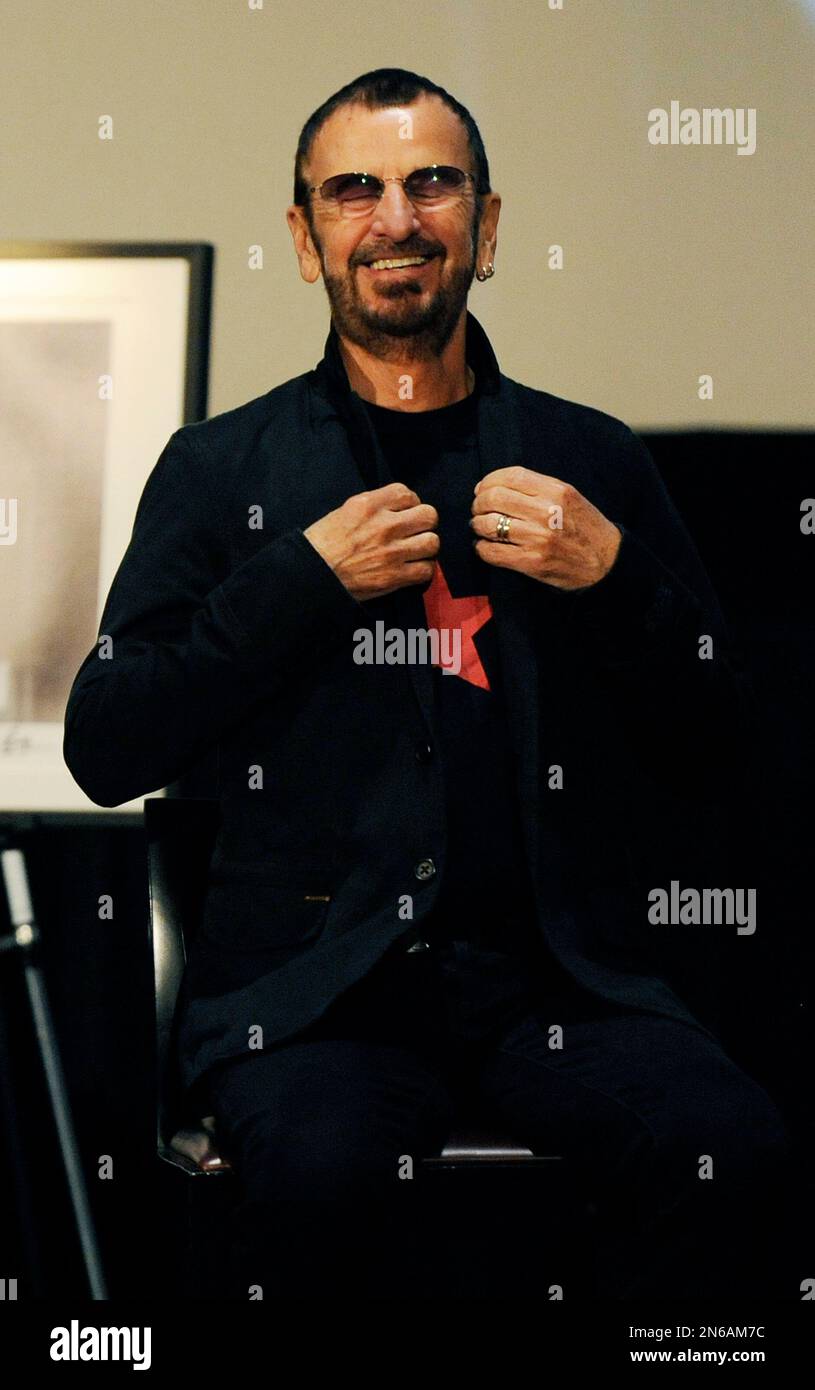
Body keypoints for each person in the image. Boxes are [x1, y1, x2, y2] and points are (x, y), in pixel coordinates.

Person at [63, 67, 794, 1300]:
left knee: (729, 1151)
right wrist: (296, 582)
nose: (394, 217)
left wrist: (615, 579)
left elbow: (728, 745)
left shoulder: (588, 459)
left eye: (430, 183)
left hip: (563, 991)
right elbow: (105, 742)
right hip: (315, 1004)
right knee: (316, 1173)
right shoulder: (216, 469)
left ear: (487, 227)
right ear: (306, 240)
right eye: (353, 190)